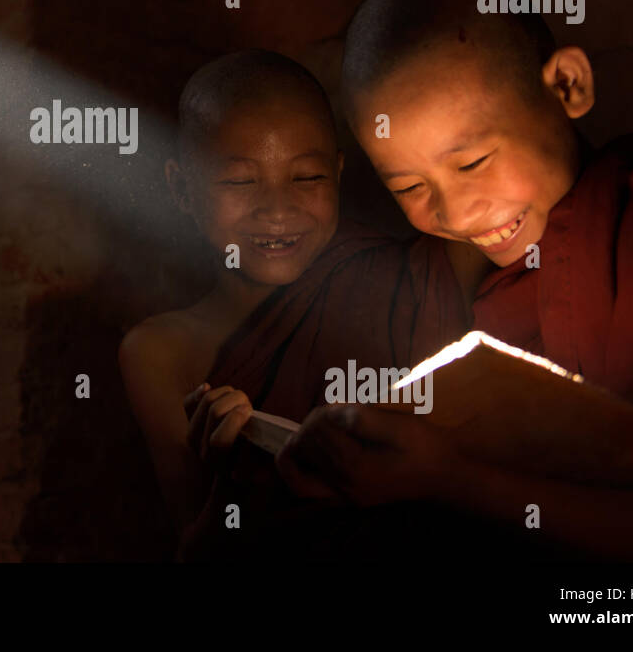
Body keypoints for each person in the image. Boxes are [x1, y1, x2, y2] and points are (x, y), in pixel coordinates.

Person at [276, 0, 633, 560]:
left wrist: (453, 479)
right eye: (410, 187)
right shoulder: (496, 304)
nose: (459, 214)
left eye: (472, 162)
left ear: (568, 86)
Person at [118, 50, 467, 559]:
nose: (278, 210)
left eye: (307, 178)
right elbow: (195, 551)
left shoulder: (403, 275)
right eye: (239, 181)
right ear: (181, 189)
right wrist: (232, 488)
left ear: (339, 174)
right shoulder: (160, 351)